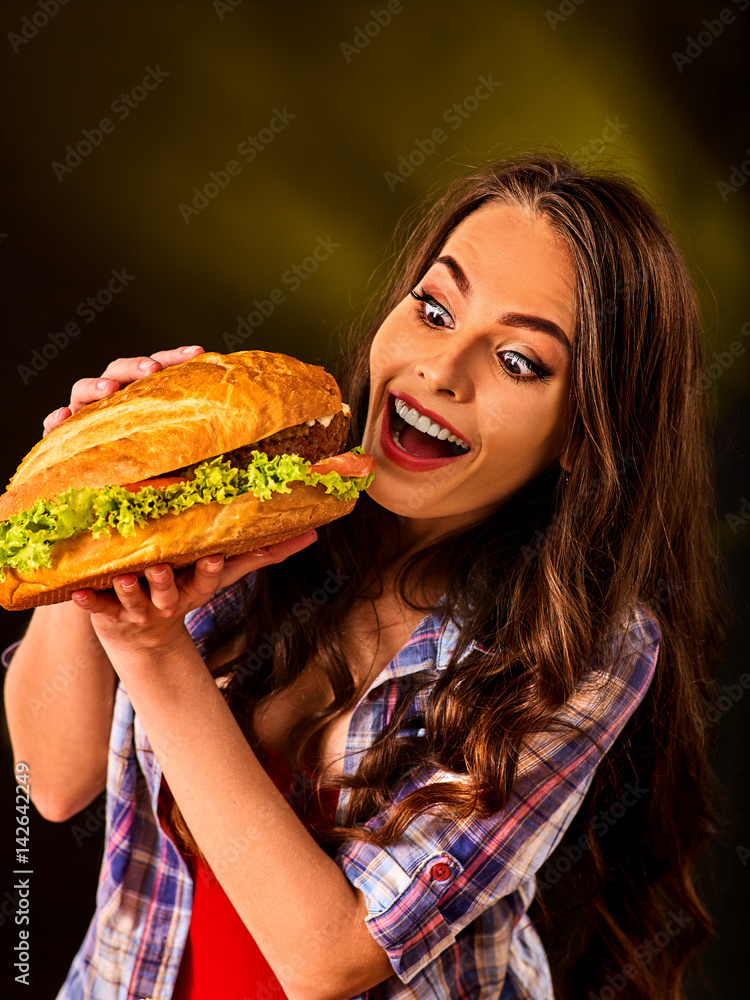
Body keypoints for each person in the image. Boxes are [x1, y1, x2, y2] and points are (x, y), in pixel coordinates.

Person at [4, 154, 728, 1000]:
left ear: (583, 433)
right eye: (432, 308)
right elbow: (51, 780)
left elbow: (329, 959)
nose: (440, 371)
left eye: (519, 361)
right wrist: (99, 495)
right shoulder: (253, 482)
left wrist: (156, 654)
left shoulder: (591, 647)